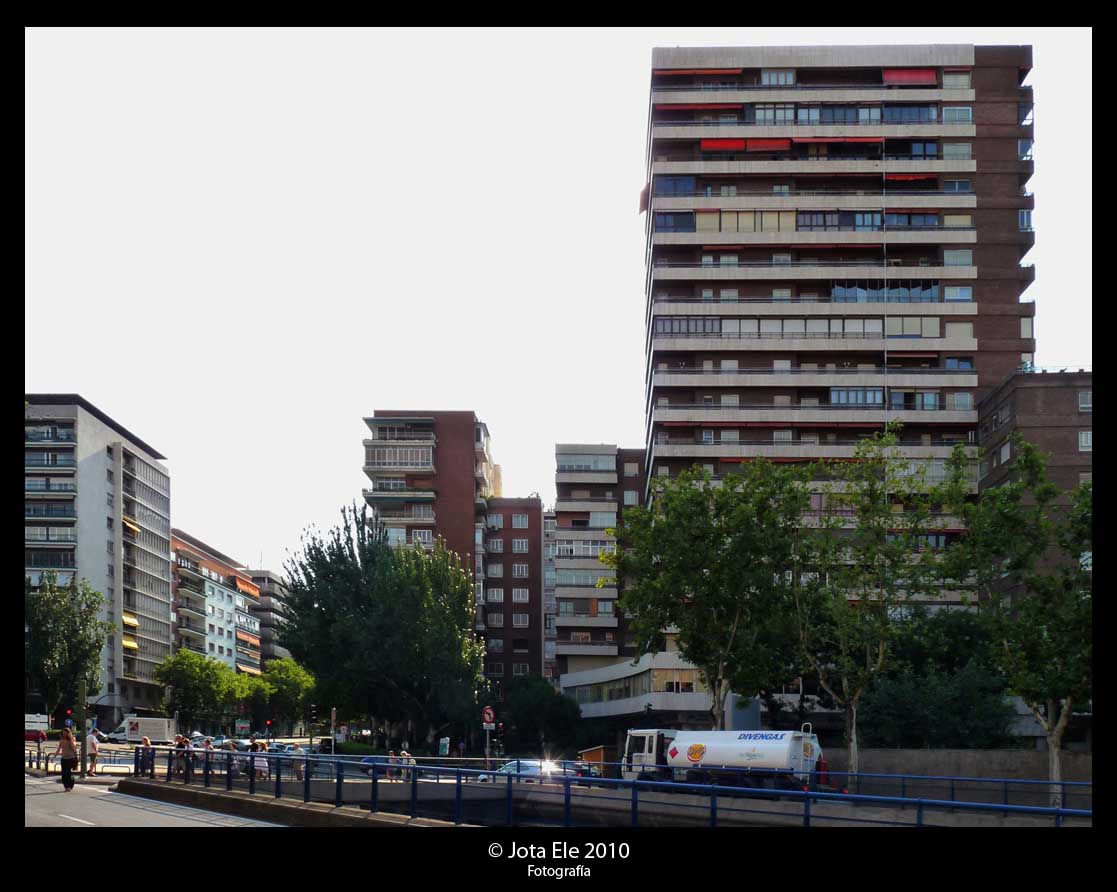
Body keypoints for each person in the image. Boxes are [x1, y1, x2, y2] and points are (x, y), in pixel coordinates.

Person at [55, 727, 78, 792]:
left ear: (69, 733)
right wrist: (54, 757)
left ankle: (70, 786)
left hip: (70, 758)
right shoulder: (61, 739)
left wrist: (71, 739)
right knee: (63, 774)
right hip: (63, 758)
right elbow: (58, 749)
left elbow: (73, 747)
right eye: (63, 733)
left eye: (66, 733)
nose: (64, 734)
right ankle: (66, 786)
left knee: (68, 773)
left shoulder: (72, 739)